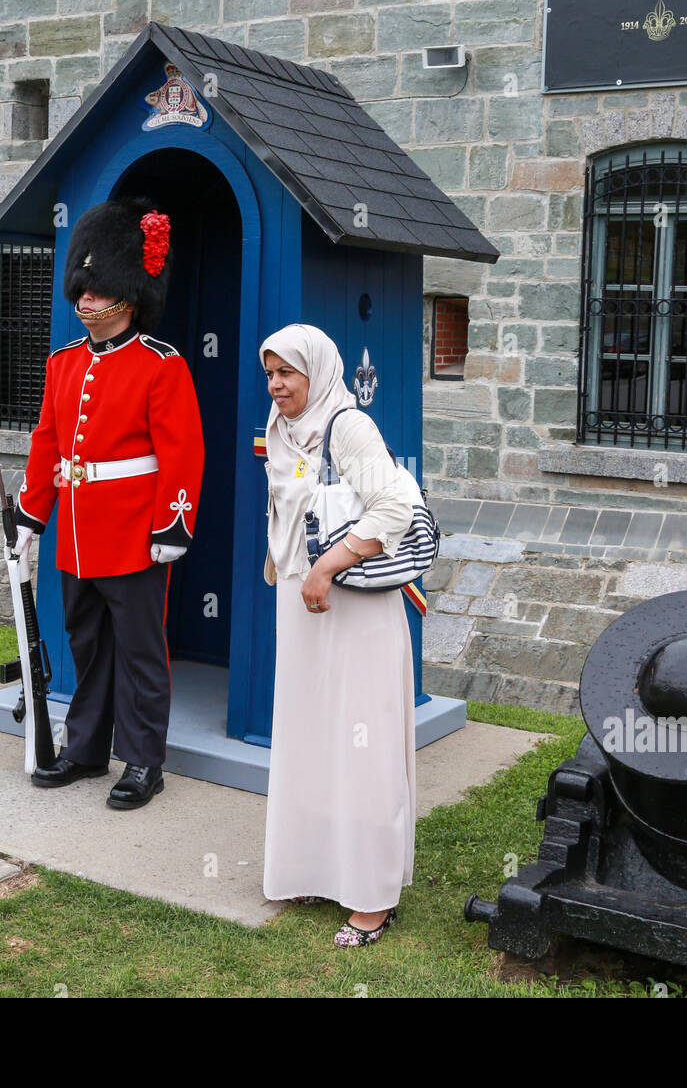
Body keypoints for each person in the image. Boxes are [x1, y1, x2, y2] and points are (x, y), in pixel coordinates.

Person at [11, 196, 203, 809]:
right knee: (86, 645)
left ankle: (145, 760)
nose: (86, 300)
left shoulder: (161, 365)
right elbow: (48, 443)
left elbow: (182, 452)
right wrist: (30, 513)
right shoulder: (64, 364)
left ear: (129, 295)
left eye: (98, 292)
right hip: (74, 532)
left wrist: (172, 523)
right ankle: (86, 749)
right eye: (83, 291)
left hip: (133, 531)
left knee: (142, 652)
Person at [259, 323, 416, 947]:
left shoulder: (348, 426)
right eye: (269, 373)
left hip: (354, 606)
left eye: (286, 374)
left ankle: (373, 898)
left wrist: (327, 565)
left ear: (316, 372)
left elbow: (394, 507)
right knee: (310, 733)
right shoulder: (280, 427)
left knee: (361, 740)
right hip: (302, 603)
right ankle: (314, 865)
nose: (275, 385)